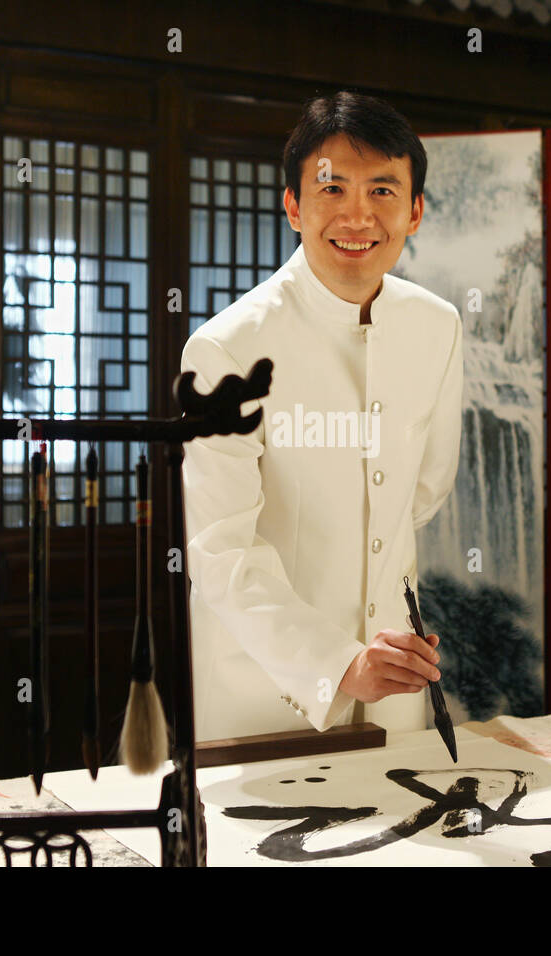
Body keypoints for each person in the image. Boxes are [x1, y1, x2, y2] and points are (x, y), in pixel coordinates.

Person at [181, 90, 463, 740]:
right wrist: (338, 664)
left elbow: (423, 490)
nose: (357, 216)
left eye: (383, 192)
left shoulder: (437, 326)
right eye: (332, 190)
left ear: (415, 210)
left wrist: (373, 660)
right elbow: (218, 548)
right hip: (262, 690)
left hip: (395, 683)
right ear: (293, 207)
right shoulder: (226, 349)